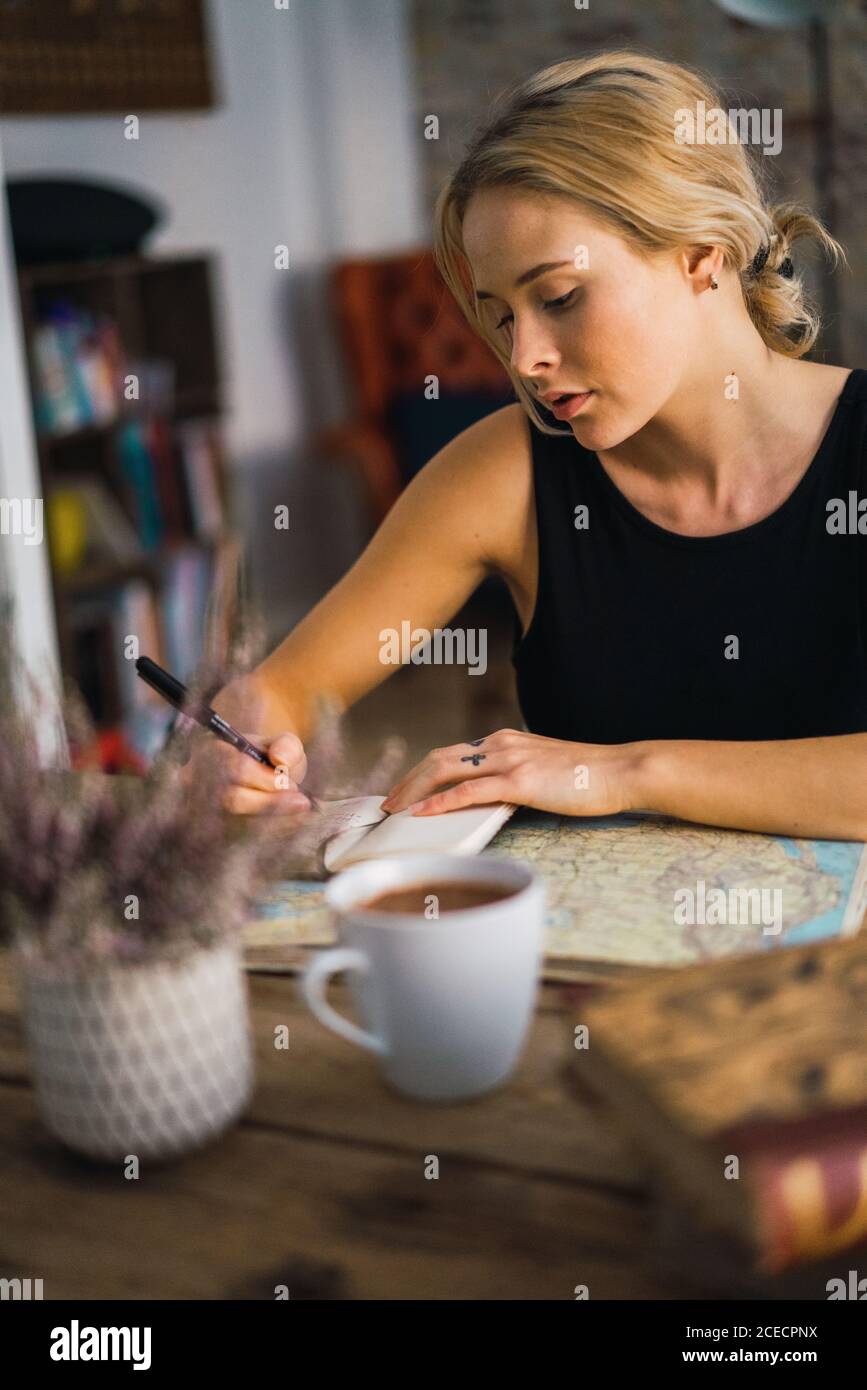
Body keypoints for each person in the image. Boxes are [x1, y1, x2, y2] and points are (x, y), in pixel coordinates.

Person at [211, 50, 867, 840]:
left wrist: (616, 770)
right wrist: (233, 745)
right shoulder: (505, 472)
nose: (523, 359)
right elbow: (283, 689)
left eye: (559, 297)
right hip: (593, 958)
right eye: (501, 315)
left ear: (703, 256)